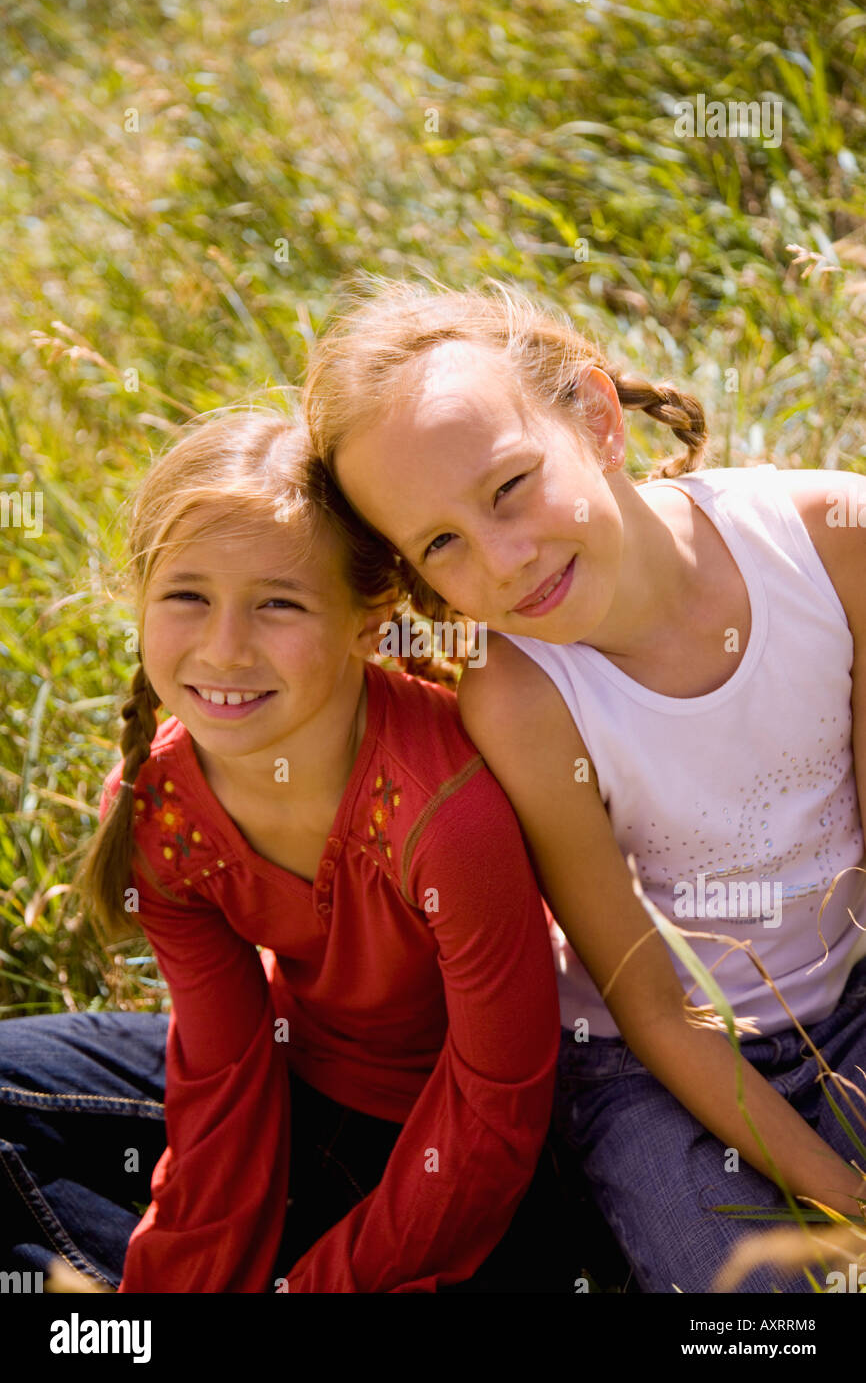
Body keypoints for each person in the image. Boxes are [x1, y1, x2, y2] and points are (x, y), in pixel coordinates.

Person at [299, 275, 866, 1292]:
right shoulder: (520, 701)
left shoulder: (828, 543)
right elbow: (649, 1001)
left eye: (508, 485)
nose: (505, 559)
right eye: (441, 545)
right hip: (655, 1073)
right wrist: (843, 1198)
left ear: (596, 418)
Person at [0, 405, 563, 1294]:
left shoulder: (445, 817)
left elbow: (498, 1105)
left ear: (368, 620)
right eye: (187, 596)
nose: (224, 650)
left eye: (278, 604)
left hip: (464, 1146)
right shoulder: (159, 807)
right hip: (290, 1082)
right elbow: (224, 1072)